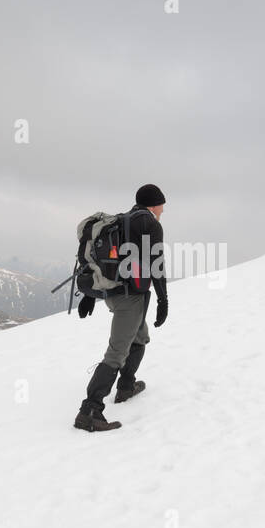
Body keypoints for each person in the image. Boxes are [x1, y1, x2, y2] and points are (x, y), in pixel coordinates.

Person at [73, 184, 169, 431]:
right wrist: (163, 300)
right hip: (130, 298)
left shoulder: (121, 221)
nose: (163, 210)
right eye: (161, 205)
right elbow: (155, 263)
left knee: (140, 336)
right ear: (153, 204)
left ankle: (126, 387)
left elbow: (97, 260)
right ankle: (89, 411)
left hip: (113, 294)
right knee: (117, 353)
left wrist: (89, 294)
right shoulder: (149, 224)